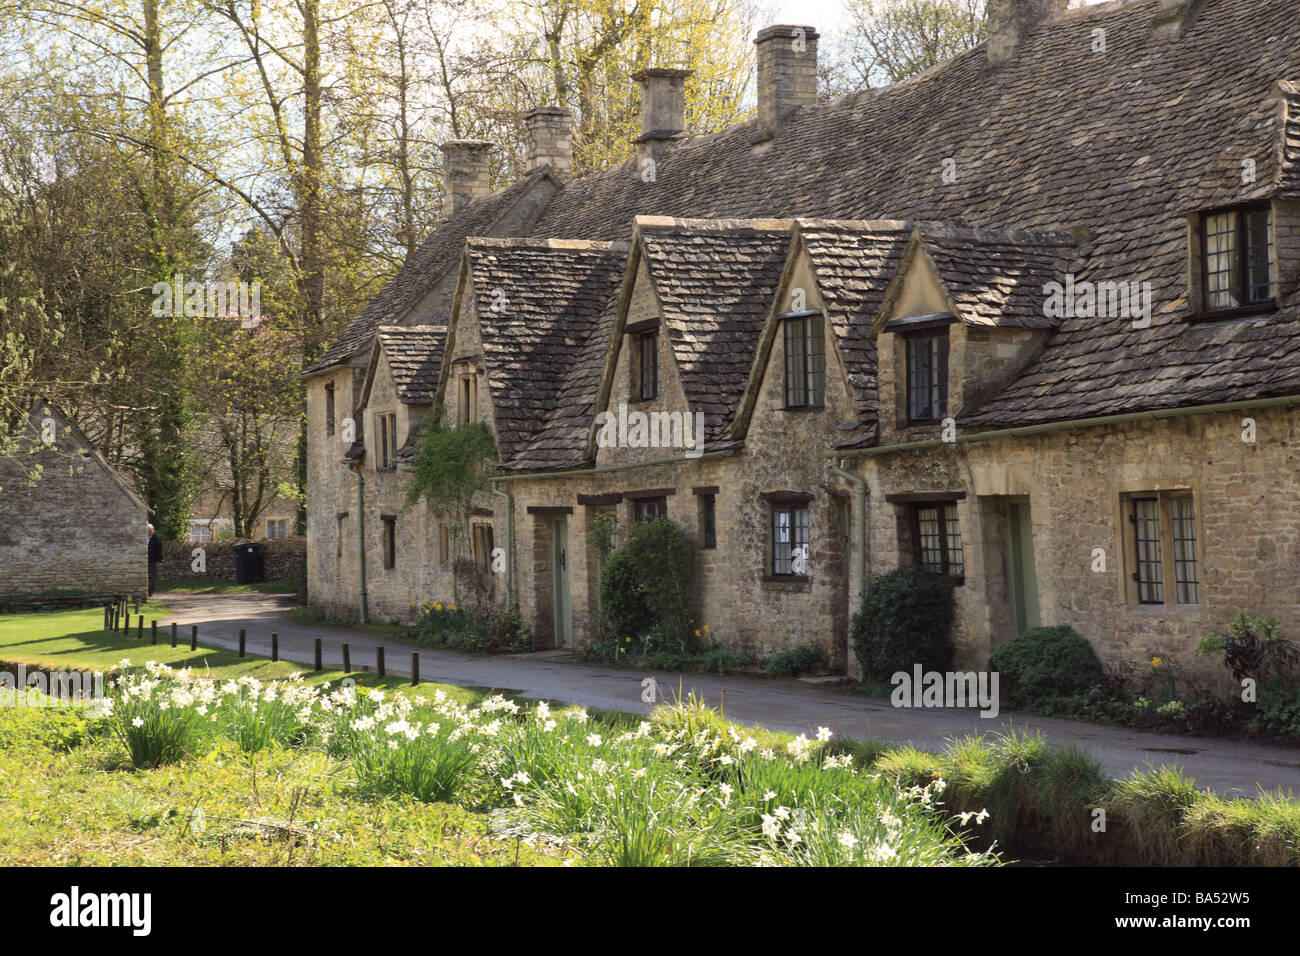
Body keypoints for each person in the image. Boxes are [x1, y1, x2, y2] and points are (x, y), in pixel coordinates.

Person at [147, 523, 163, 596]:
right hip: (143, 561)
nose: (150, 531)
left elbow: (159, 550)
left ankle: (150, 592)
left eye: (151, 530)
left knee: (152, 577)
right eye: (148, 530)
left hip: (152, 560)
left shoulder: (156, 539)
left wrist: (159, 560)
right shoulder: (143, 537)